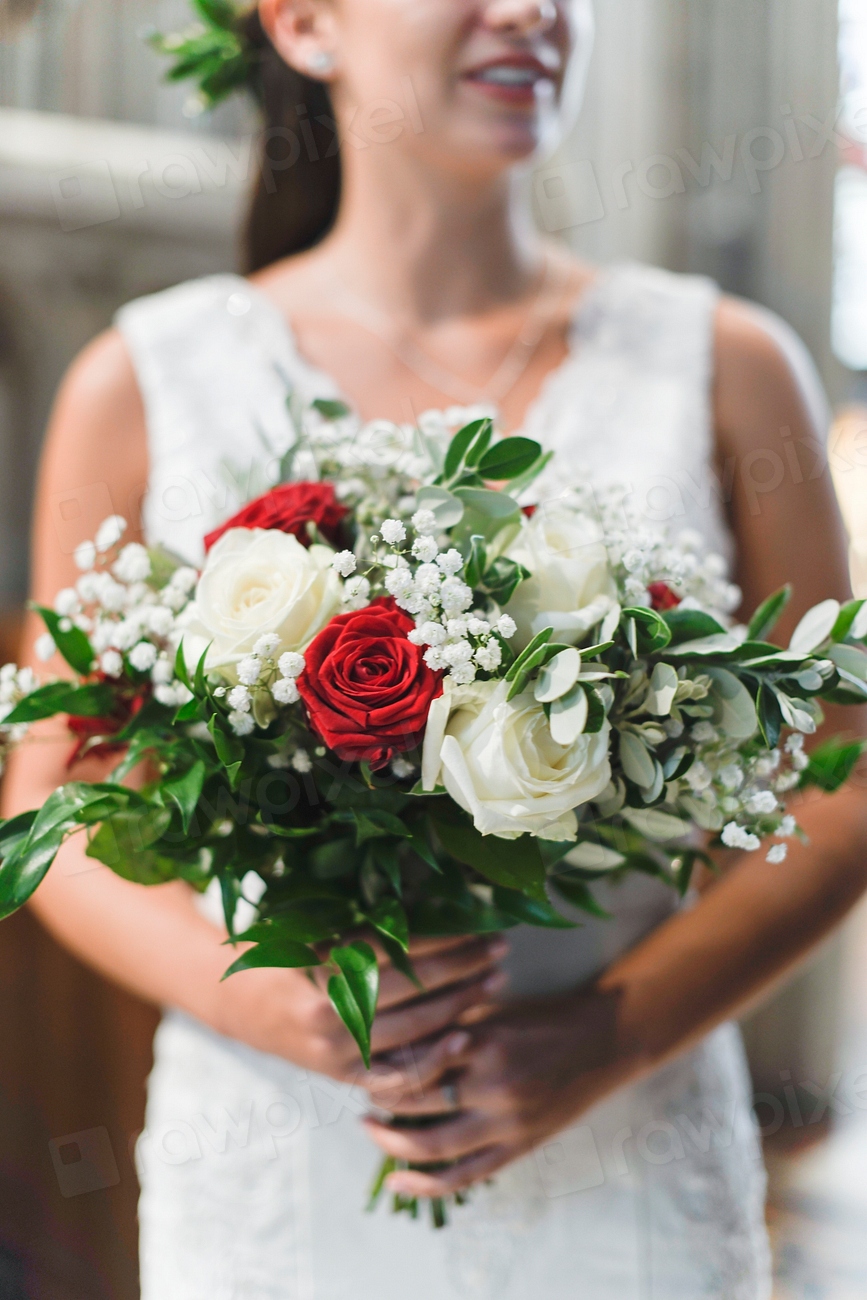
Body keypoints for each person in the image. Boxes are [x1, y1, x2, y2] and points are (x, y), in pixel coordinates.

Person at [3, 1, 866, 1296]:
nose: (532, 11)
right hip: (277, 1161)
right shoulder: (144, 376)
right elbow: (48, 795)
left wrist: (608, 1040)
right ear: (301, 23)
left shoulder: (729, 362)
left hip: (627, 1148)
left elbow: (845, 769)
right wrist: (278, 1007)